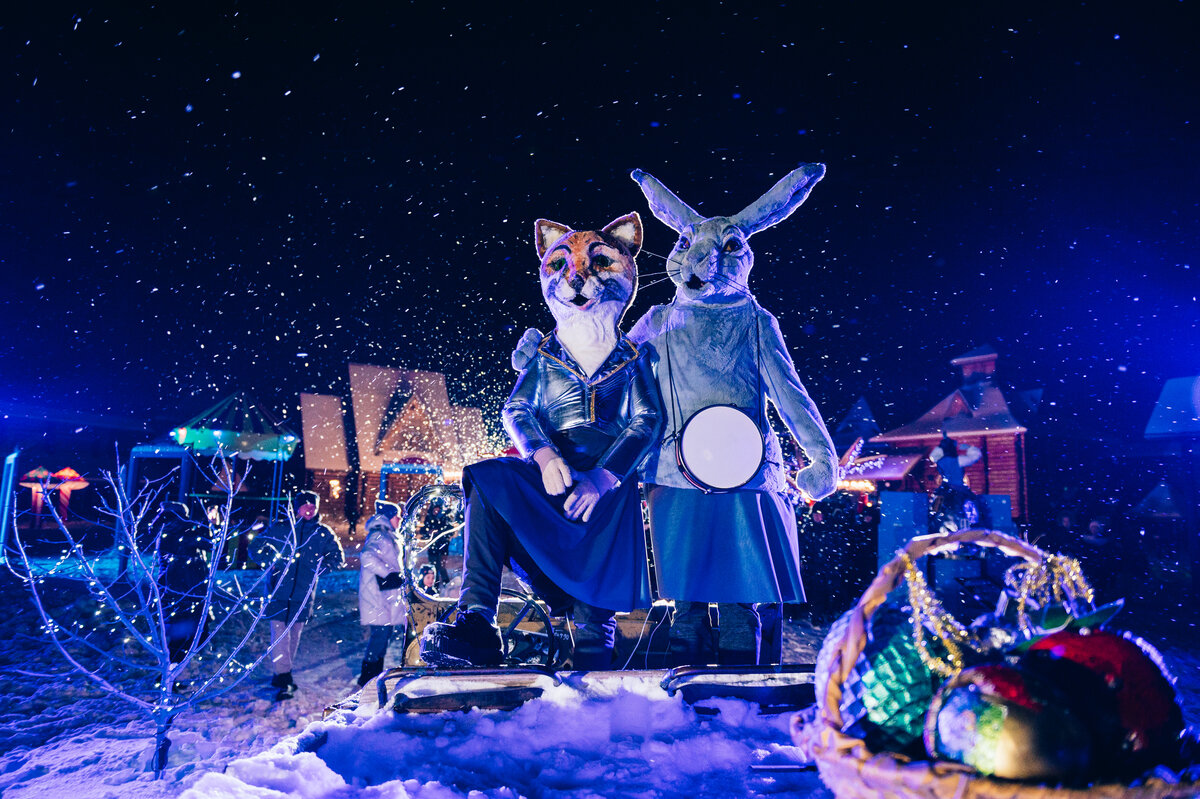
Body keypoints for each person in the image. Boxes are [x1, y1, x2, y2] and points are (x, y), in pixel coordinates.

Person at [420, 213, 664, 671]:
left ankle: (594, 676)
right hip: (553, 474)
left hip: (606, 485)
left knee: (595, 608)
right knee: (489, 481)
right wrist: (543, 452)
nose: (578, 279)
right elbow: (517, 409)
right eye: (562, 267)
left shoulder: (634, 356)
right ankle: (476, 618)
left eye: (601, 264)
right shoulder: (547, 354)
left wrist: (604, 476)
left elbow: (646, 420)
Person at [251, 490, 345, 700]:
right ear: (297, 507)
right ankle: (285, 679)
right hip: (278, 592)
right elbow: (256, 546)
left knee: (293, 639)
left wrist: (321, 569)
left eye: (313, 505)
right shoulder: (282, 529)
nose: (309, 509)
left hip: (303, 595)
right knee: (280, 637)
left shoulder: (322, 533)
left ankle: (280, 674)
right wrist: (270, 562)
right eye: (305, 505)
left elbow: (337, 557)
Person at [356, 500, 406, 686]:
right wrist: (389, 574)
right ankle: (368, 677)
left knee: (382, 638)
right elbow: (367, 557)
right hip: (377, 599)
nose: (400, 519)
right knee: (380, 638)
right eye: (397, 515)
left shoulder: (386, 535)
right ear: (389, 517)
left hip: (384, 597)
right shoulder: (379, 536)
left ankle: (373, 676)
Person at [156, 500, 210, 664]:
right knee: (189, 636)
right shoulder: (178, 532)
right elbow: (209, 544)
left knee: (190, 635)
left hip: (182, 590)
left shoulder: (170, 530)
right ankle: (170, 676)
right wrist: (206, 525)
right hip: (184, 591)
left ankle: (172, 673)